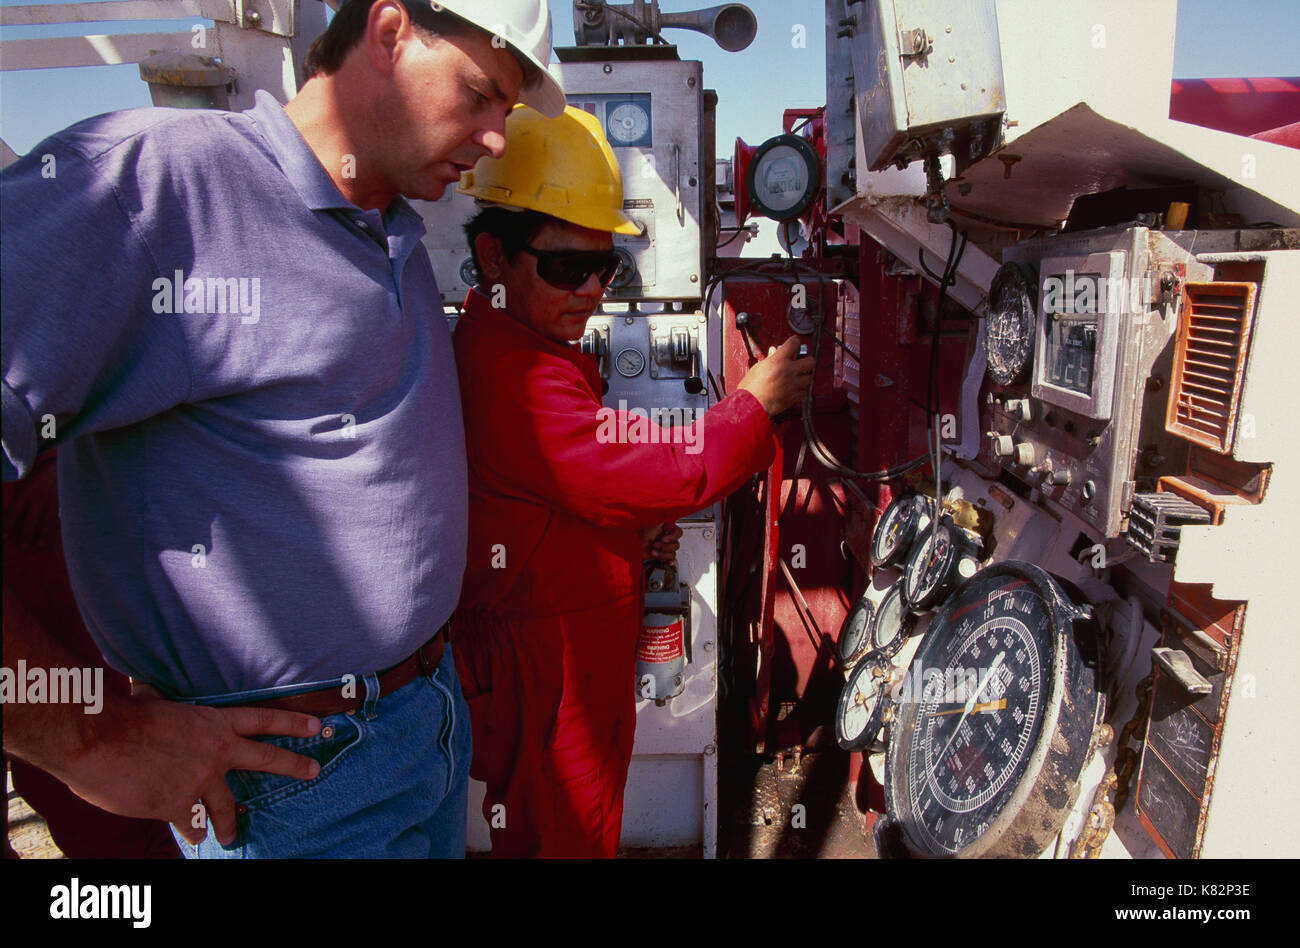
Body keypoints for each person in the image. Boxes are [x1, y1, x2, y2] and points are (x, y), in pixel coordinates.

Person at [0, 0, 563, 859]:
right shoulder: (158, 186)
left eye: (507, 113)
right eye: (480, 94)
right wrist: (84, 736)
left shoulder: (396, 229)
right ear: (389, 32)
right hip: (286, 783)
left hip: (427, 726)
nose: (495, 138)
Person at [451, 105, 814, 857]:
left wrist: (625, 532)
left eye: (604, 268)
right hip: (547, 679)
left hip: (563, 649)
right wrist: (754, 407)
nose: (590, 291)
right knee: (568, 839)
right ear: (494, 258)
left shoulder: (527, 348)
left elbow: (569, 490)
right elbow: (652, 463)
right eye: (564, 267)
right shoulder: (510, 373)